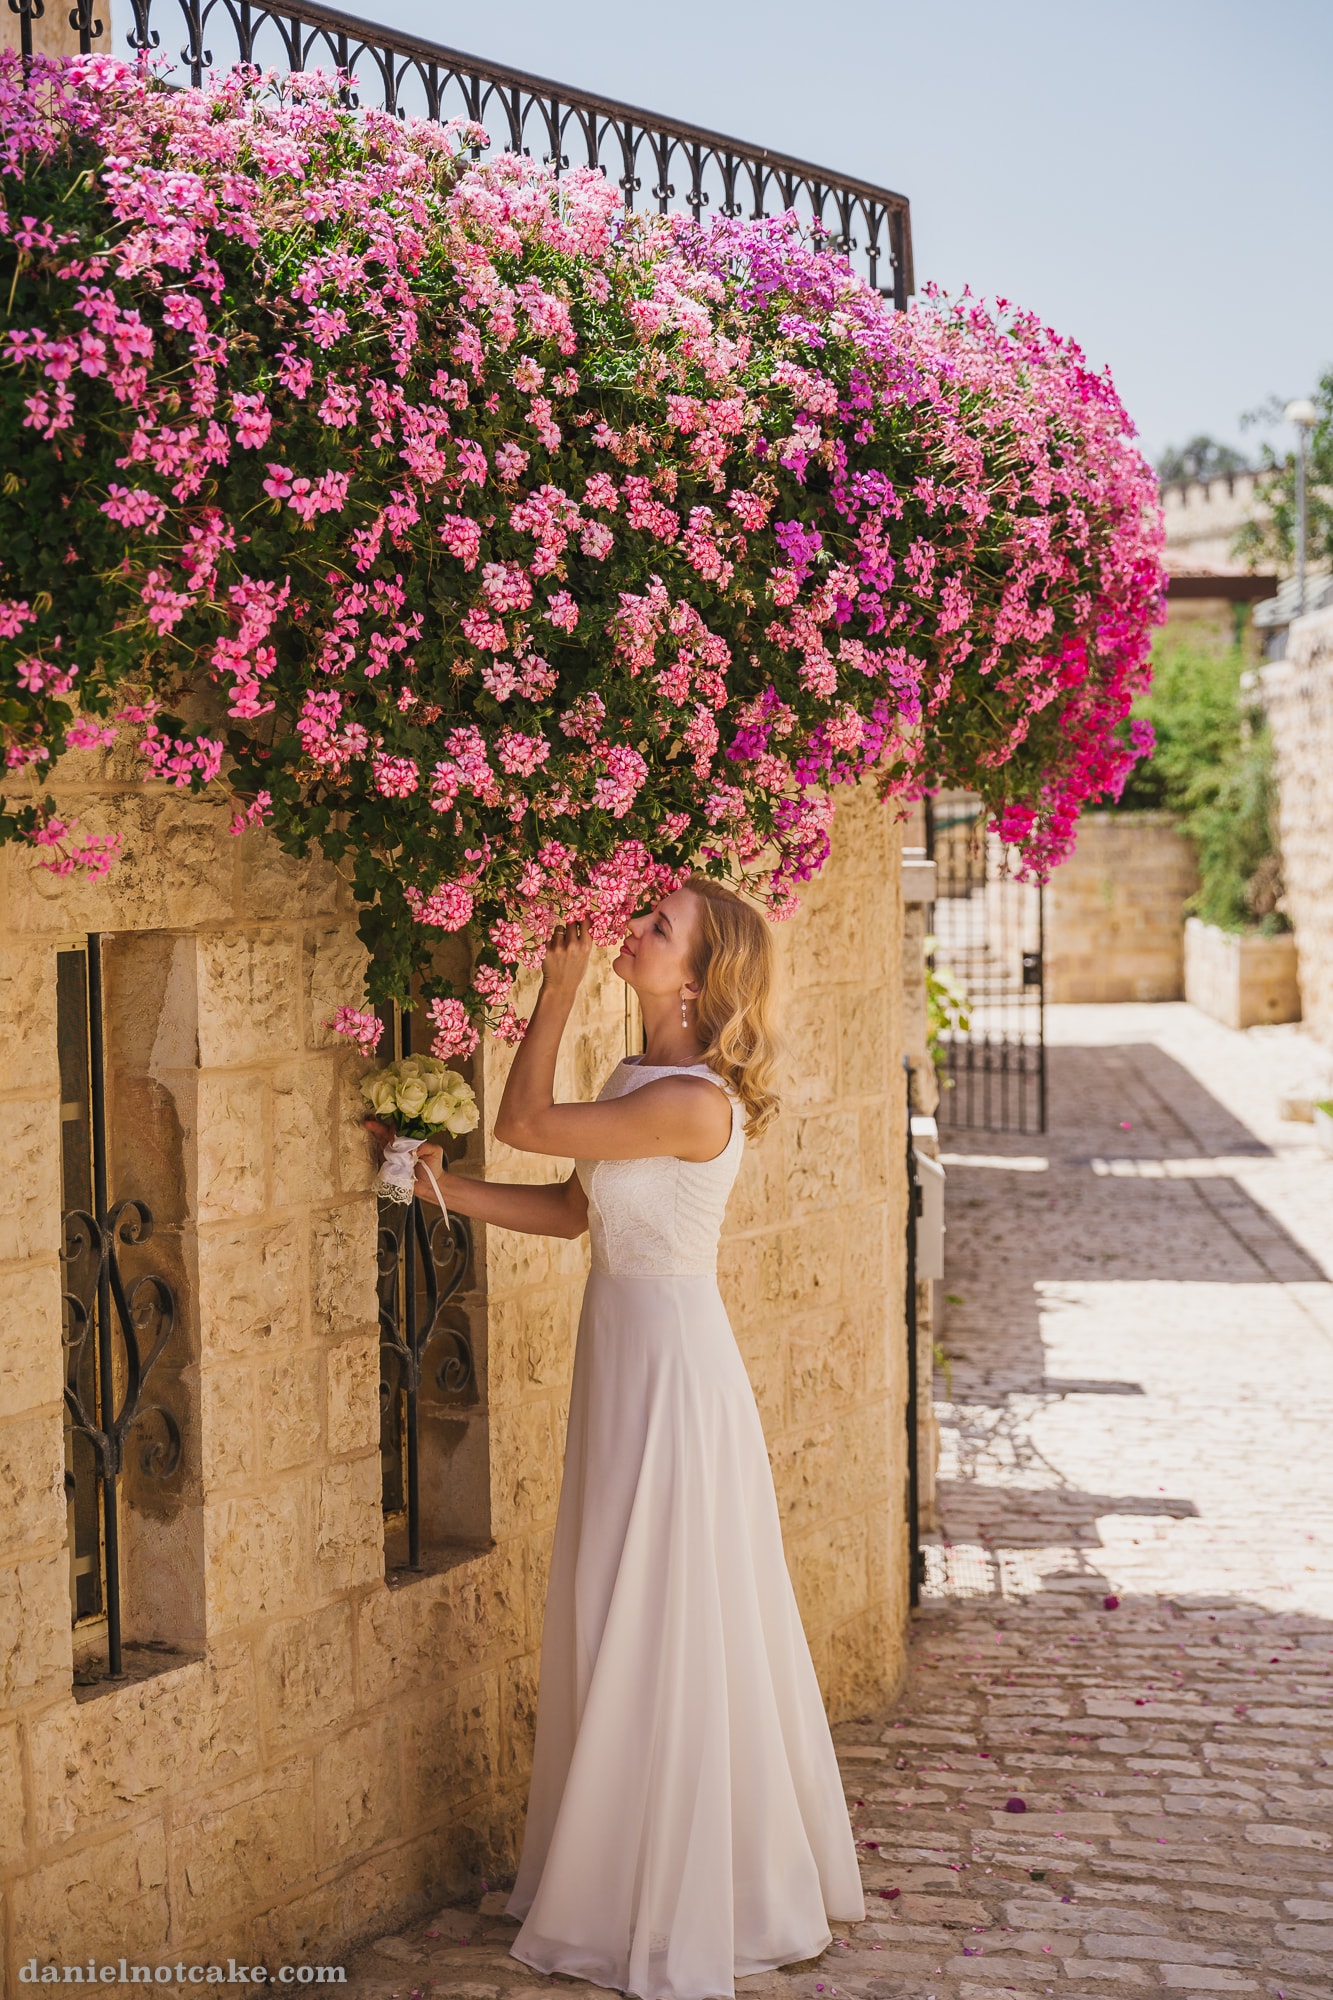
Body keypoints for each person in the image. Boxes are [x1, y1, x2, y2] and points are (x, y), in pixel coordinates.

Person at [368, 875, 865, 2000]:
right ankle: (616, 1864)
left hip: (676, 1373)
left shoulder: (695, 1100)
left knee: (668, 1608)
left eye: (657, 927)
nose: (630, 930)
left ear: (698, 975)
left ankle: (691, 1890)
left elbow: (526, 1123)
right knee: (609, 1597)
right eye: (641, 915)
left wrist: (555, 986)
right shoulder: (638, 1077)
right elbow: (574, 1209)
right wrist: (436, 1187)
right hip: (620, 1351)